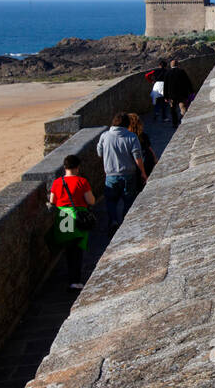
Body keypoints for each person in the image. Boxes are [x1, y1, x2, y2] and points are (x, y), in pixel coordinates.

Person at [48, 154, 95, 289]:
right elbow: (90, 200)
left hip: (64, 217)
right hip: (79, 216)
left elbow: (52, 201)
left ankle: (70, 278)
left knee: (68, 249)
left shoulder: (57, 182)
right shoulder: (82, 182)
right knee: (77, 249)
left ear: (64, 167)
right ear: (78, 167)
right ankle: (75, 280)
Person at [96, 112, 147, 230]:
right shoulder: (131, 137)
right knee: (128, 200)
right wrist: (143, 172)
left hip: (111, 175)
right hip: (129, 174)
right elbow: (137, 157)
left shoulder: (105, 136)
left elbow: (99, 153)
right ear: (126, 124)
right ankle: (125, 223)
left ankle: (113, 220)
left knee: (111, 200)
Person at [164, 59, 194, 126]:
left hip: (171, 95)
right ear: (177, 65)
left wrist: (165, 96)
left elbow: (165, 86)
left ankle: (175, 123)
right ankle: (183, 120)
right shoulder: (181, 71)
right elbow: (188, 82)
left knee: (173, 109)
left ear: (171, 65)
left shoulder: (167, 73)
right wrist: (191, 91)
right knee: (183, 108)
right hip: (182, 94)